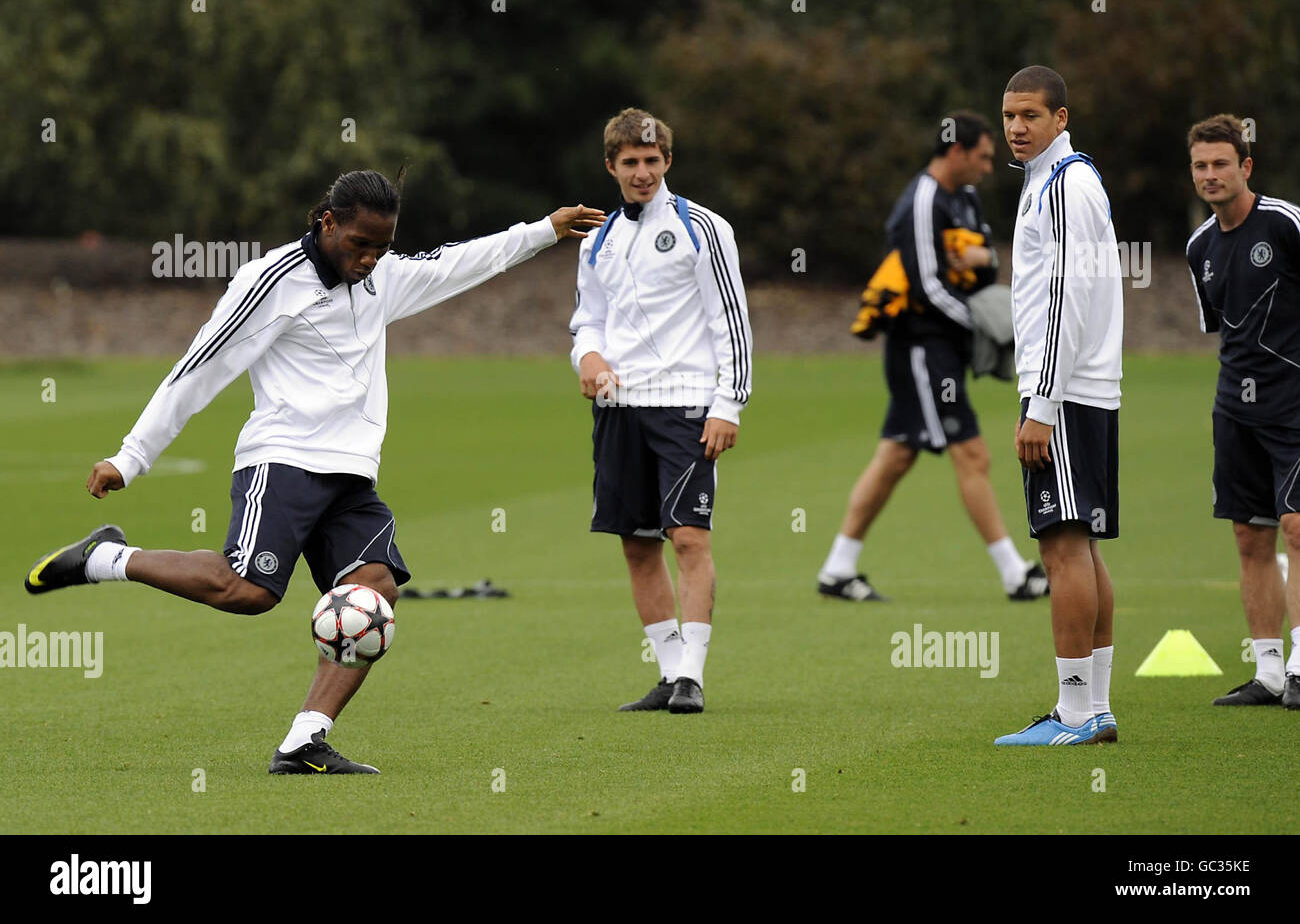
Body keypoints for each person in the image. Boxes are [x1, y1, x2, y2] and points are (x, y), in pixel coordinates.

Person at [24, 169, 604, 772]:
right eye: (360, 244)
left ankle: (304, 741)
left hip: (351, 477)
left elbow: (461, 262)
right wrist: (131, 456)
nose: (371, 259)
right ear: (327, 222)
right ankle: (106, 559)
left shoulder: (383, 278)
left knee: (374, 595)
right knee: (246, 591)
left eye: (382, 246)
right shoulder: (272, 282)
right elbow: (199, 368)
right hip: (283, 462)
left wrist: (545, 230)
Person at [817, 112, 1048, 603]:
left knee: (897, 455)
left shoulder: (964, 196)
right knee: (972, 453)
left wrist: (983, 262)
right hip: (920, 349)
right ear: (957, 152)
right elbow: (927, 288)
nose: (990, 166)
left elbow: (988, 253)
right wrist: (986, 325)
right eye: (984, 156)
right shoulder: (922, 200)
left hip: (944, 348)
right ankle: (1015, 574)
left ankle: (838, 568)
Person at [569, 108, 753, 714]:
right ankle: (670, 672)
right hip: (618, 410)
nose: (642, 172)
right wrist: (588, 359)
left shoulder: (703, 227)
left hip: (685, 406)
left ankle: (693, 677)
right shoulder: (598, 237)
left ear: (667, 161)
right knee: (636, 544)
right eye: (631, 163)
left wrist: (728, 404)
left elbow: (730, 323)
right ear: (611, 166)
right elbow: (586, 319)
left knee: (689, 538)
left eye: (652, 161)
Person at [994, 66, 1123, 746]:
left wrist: (1041, 402)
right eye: (1010, 115)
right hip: (1077, 388)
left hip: (1066, 392)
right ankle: (1094, 708)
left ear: (1061, 118)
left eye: (1031, 116)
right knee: (1080, 543)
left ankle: (1075, 713)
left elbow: (1070, 295)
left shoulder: (1067, 183)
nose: (1017, 127)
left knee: (1063, 546)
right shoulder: (1049, 182)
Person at [1185, 114, 1300, 707]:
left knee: (1297, 526)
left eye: (1221, 163)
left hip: (1295, 404)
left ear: (1245, 166)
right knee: (1250, 538)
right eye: (1201, 165)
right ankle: (1271, 674)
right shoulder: (1198, 245)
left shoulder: (1283, 223)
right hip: (1234, 409)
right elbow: (1221, 332)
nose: (1210, 175)